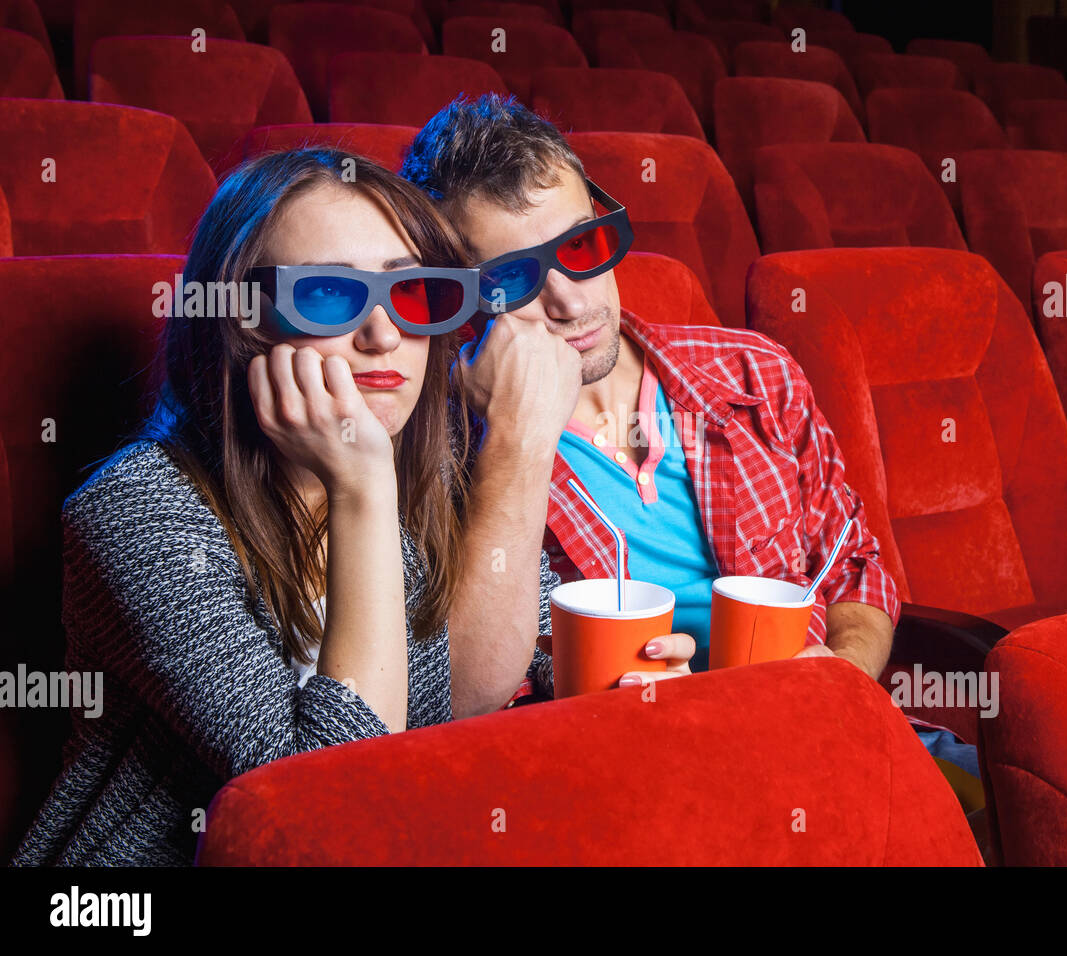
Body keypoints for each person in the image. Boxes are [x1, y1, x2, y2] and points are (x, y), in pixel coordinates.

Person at [10, 147, 690, 867]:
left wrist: (628, 682)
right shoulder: (138, 509)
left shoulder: (431, 487)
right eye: (331, 294)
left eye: (413, 294)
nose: (384, 336)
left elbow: (535, 654)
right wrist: (360, 487)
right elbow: (325, 803)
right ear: (239, 322)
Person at [400, 94, 985, 804]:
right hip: (641, 782)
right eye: (513, 279)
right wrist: (515, 444)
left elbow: (856, 568)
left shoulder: (755, 374)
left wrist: (836, 676)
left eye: (581, 248)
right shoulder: (437, 453)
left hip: (833, 728)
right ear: (461, 296)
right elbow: (465, 703)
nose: (571, 303)